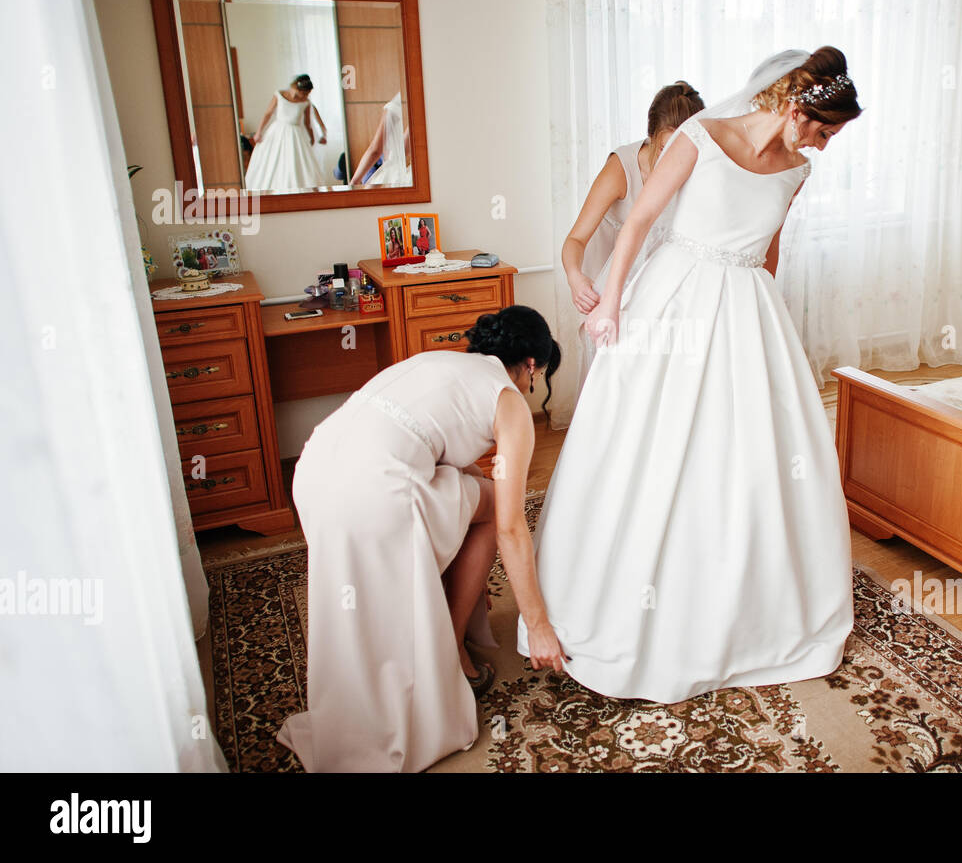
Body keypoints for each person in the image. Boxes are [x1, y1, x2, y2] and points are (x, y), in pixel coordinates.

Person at [518, 47, 862, 703]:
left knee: (747, 456)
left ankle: (751, 612)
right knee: (650, 443)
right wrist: (613, 302)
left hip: (746, 306)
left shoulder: (796, 170)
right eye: (821, 130)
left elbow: (770, 251)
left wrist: (767, 333)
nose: (823, 144)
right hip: (672, 296)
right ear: (794, 107)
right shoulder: (702, 137)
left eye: (831, 136)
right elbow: (641, 218)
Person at [279, 305, 568, 772]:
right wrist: (538, 625)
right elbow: (513, 524)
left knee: (473, 497)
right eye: (537, 375)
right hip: (374, 490)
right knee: (495, 509)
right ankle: (447, 651)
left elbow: (448, 457)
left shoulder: (439, 362)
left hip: (313, 476)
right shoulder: (509, 402)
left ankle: (435, 635)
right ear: (531, 365)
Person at [561, 81, 704, 395]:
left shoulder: (700, 163)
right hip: (615, 288)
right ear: (651, 136)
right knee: (617, 383)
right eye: (667, 148)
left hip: (669, 290)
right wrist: (575, 277)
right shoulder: (621, 167)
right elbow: (575, 239)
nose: (677, 157)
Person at [244, 74, 330, 191]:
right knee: (273, 161)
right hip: (277, 132)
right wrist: (259, 132)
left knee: (295, 163)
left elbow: (307, 123)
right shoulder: (279, 95)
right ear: (298, 89)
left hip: (295, 136)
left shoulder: (306, 102)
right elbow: (268, 114)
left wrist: (311, 138)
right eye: (304, 93)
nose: (306, 96)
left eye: (307, 94)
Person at [349, 92, 411, 187]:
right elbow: (405, 147)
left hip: (391, 169)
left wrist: (353, 182)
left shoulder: (399, 101)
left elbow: (375, 150)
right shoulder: (423, 98)